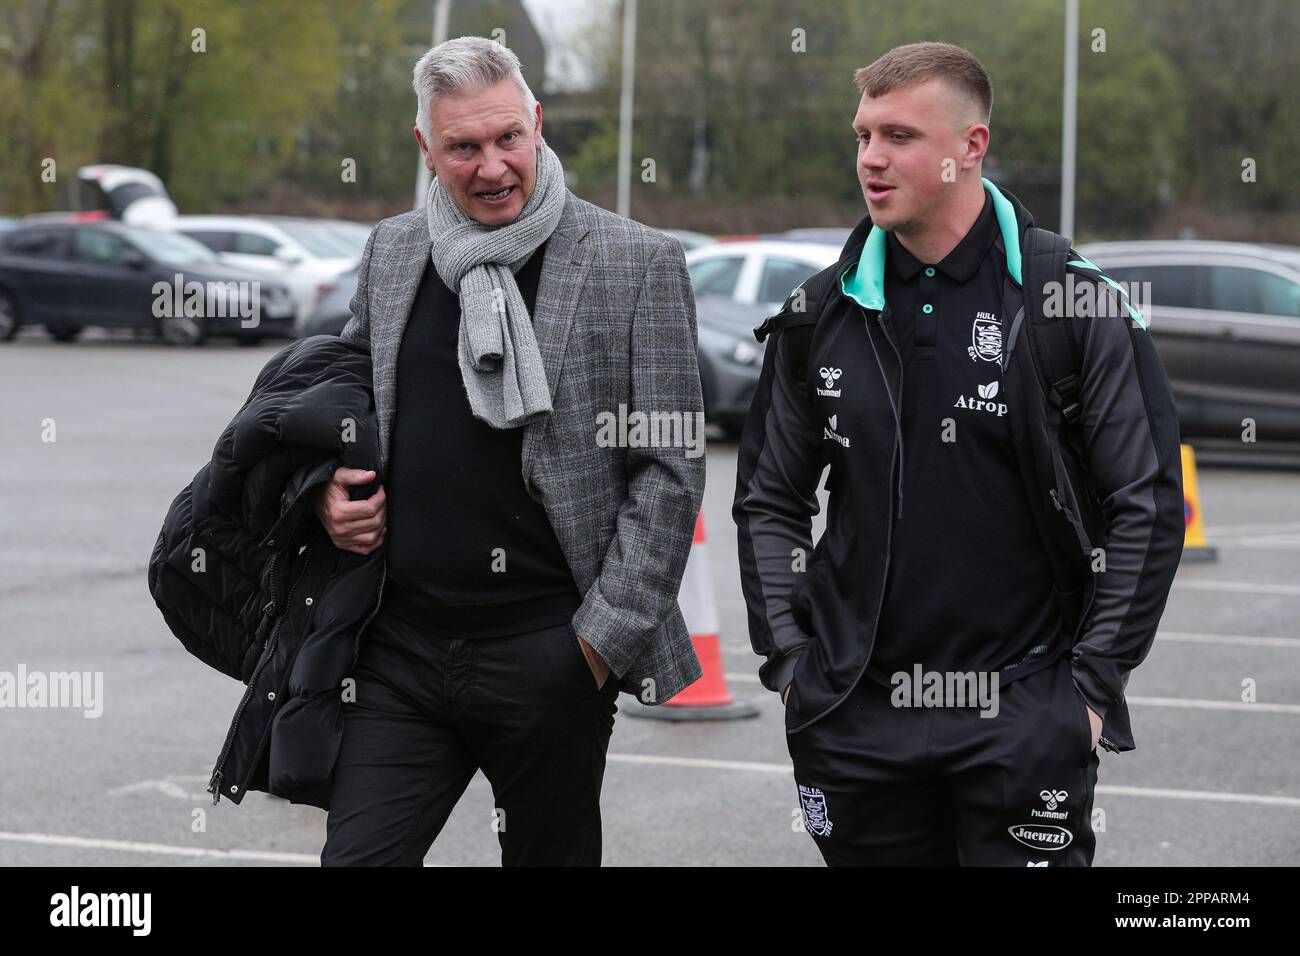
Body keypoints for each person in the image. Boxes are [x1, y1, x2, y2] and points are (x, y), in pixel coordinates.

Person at [733, 41, 1184, 866]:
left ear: (969, 148)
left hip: (1024, 711)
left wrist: (1089, 688)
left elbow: (1147, 504)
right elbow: (769, 498)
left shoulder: (1070, 300)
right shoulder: (818, 313)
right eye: (863, 135)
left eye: (900, 136)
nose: (871, 158)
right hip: (856, 715)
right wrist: (794, 665)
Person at [318, 36, 705, 866]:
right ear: (428, 149)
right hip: (401, 650)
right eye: (463, 147)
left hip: (550, 650)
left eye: (507, 139)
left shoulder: (637, 263)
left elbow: (670, 471)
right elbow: (345, 412)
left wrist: (594, 648)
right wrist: (331, 495)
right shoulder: (393, 252)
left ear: (537, 124)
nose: (491, 166)